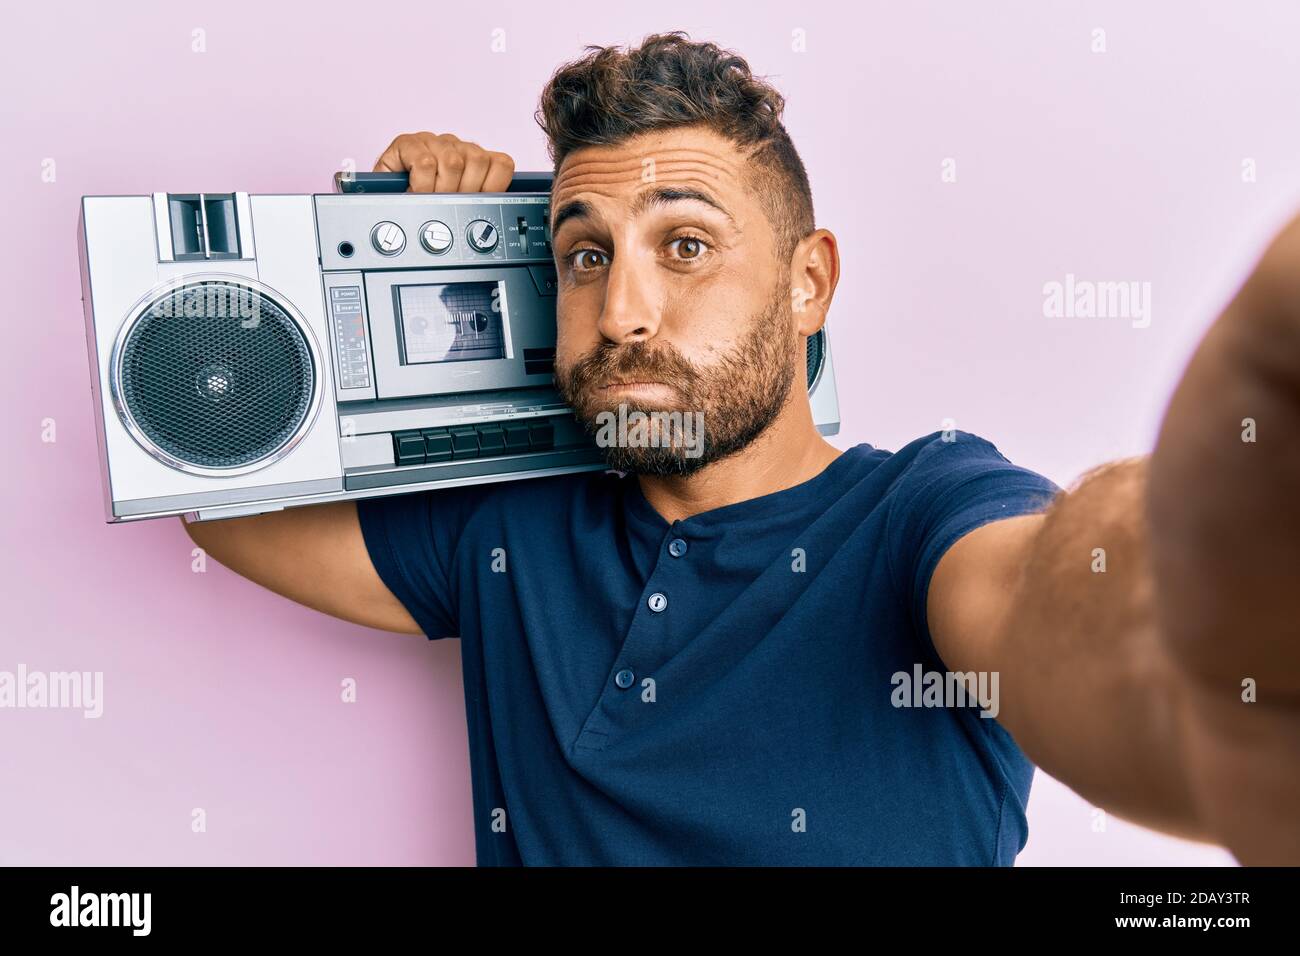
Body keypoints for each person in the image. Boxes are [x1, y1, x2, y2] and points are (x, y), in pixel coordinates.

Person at [184, 32, 1300, 865]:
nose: (622, 309)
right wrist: (386, 253)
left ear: (808, 282)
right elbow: (208, 483)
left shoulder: (920, 509)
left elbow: (1064, 601)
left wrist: (1209, 626)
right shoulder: (508, 529)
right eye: (582, 257)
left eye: (684, 244)